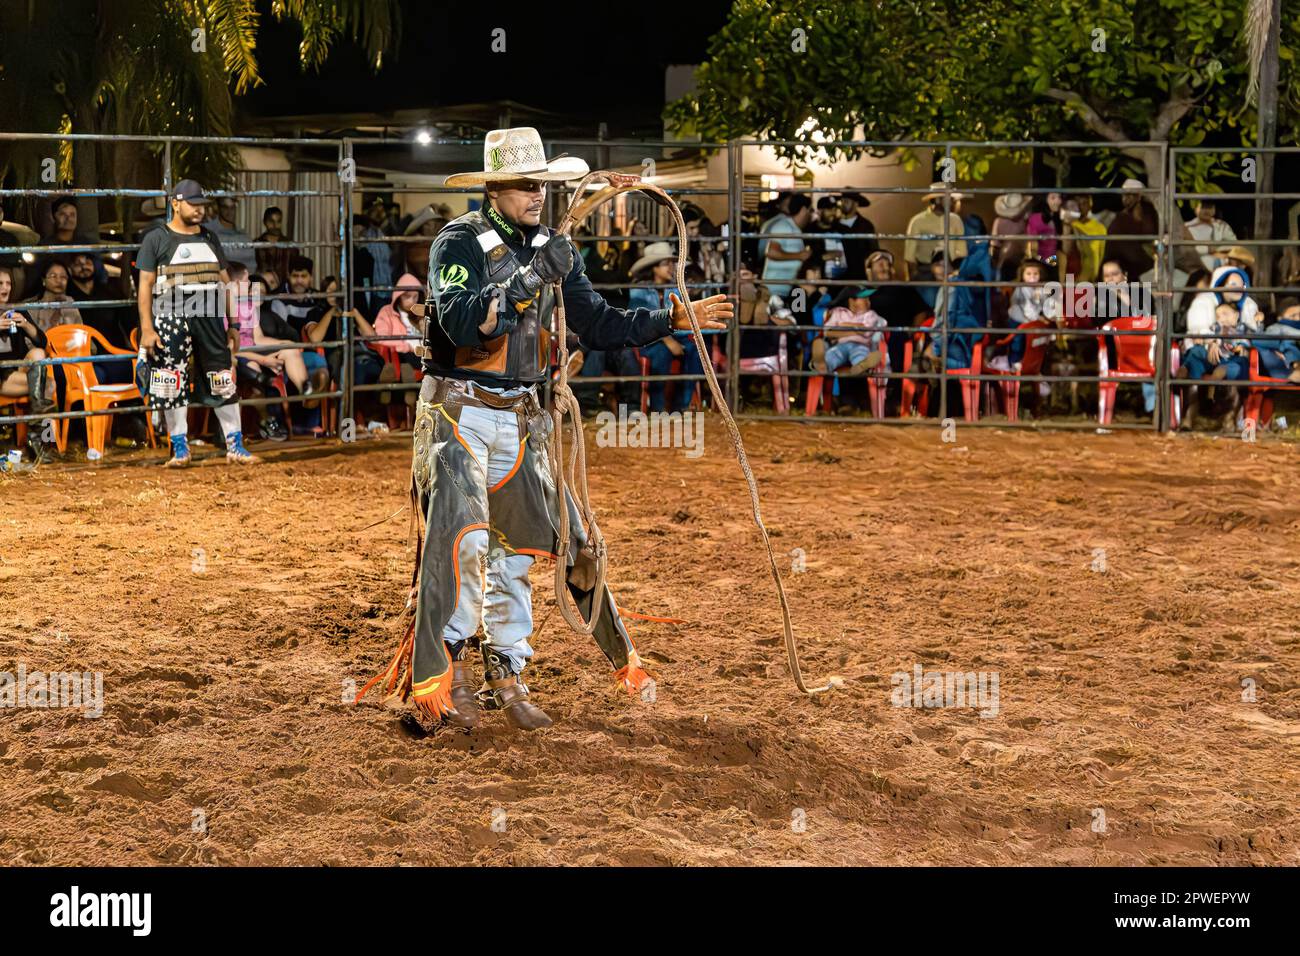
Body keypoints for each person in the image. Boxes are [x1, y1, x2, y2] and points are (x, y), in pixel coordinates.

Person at [386, 127, 730, 731]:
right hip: (458, 412)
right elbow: (465, 324)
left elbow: (596, 322)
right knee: (463, 542)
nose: (537, 193)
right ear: (494, 188)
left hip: (520, 415)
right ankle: (448, 675)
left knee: (518, 549)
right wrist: (527, 277)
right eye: (525, 184)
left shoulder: (553, 246)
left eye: (541, 183)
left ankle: (507, 670)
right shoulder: (457, 242)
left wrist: (672, 317)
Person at [135, 179, 259, 466]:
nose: (200, 211)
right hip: (170, 319)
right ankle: (180, 448)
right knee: (171, 380)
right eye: (194, 204)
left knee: (222, 378)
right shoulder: (157, 239)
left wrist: (234, 324)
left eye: (203, 205)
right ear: (175, 203)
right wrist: (147, 329)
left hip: (210, 318)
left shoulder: (209, 238)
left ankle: (235, 445)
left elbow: (225, 281)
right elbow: (145, 286)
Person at [628, 241, 704, 413]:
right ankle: (658, 407)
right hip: (649, 339)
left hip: (675, 335)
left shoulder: (675, 288)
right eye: (665, 264)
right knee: (661, 354)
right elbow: (640, 321)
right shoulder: (639, 290)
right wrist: (668, 341)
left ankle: (682, 405)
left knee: (695, 351)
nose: (671, 267)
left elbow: (682, 315)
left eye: (671, 263)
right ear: (654, 268)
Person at [810, 286, 885, 377]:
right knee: (833, 354)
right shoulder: (838, 312)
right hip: (840, 345)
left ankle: (861, 366)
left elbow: (866, 332)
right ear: (851, 301)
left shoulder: (870, 314)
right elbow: (828, 332)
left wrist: (843, 325)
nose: (868, 301)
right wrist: (856, 328)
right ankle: (822, 365)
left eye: (868, 299)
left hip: (860, 345)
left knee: (860, 355)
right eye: (863, 298)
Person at [905, 184, 967, 279]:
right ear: (938, 200)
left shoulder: (956, 220)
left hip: (952, 270)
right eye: (949, 198)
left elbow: (962, 251)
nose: (952, 202)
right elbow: (909, 257)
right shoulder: (917, 221)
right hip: (926, 271)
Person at [759, 193, 812, 303]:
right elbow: (771, 252)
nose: (810, 215)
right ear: (803, 210)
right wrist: (799, 255)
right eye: (810, 210)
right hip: (773, 292)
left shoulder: (794, 229)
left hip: (786, 292)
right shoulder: (783, 226)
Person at [1106, 179, 1159, 280]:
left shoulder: (1150, 215)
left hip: (1150, 269)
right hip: (1126, 271)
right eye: (1123, 195)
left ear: (1138, 196)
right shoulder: (1119, 221)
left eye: (1129, 195)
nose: (1125, 199)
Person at [206, 196, 258, 274]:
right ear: (219, 208)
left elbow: (251, 266)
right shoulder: (208, 231)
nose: (229, 211)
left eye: (232, 207)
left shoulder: (244, 236)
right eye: (225, 207)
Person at [1184, 200, 1237, 273]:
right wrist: (1208, 249)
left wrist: (1217, 250)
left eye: (1210, 207)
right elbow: (1186, 249)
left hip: (1222, 268)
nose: (1207, 211)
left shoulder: (1222, 226)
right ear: (1195, 208)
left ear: (1214, 209)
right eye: (1203, 207)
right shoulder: (1186, 227)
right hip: (1195, 270)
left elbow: (1234, 244)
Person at [990, 193, 1031, 279]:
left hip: (1008, 258)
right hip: (1015, 258)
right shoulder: (1024, 222)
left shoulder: (998, 221)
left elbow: (994, 243)